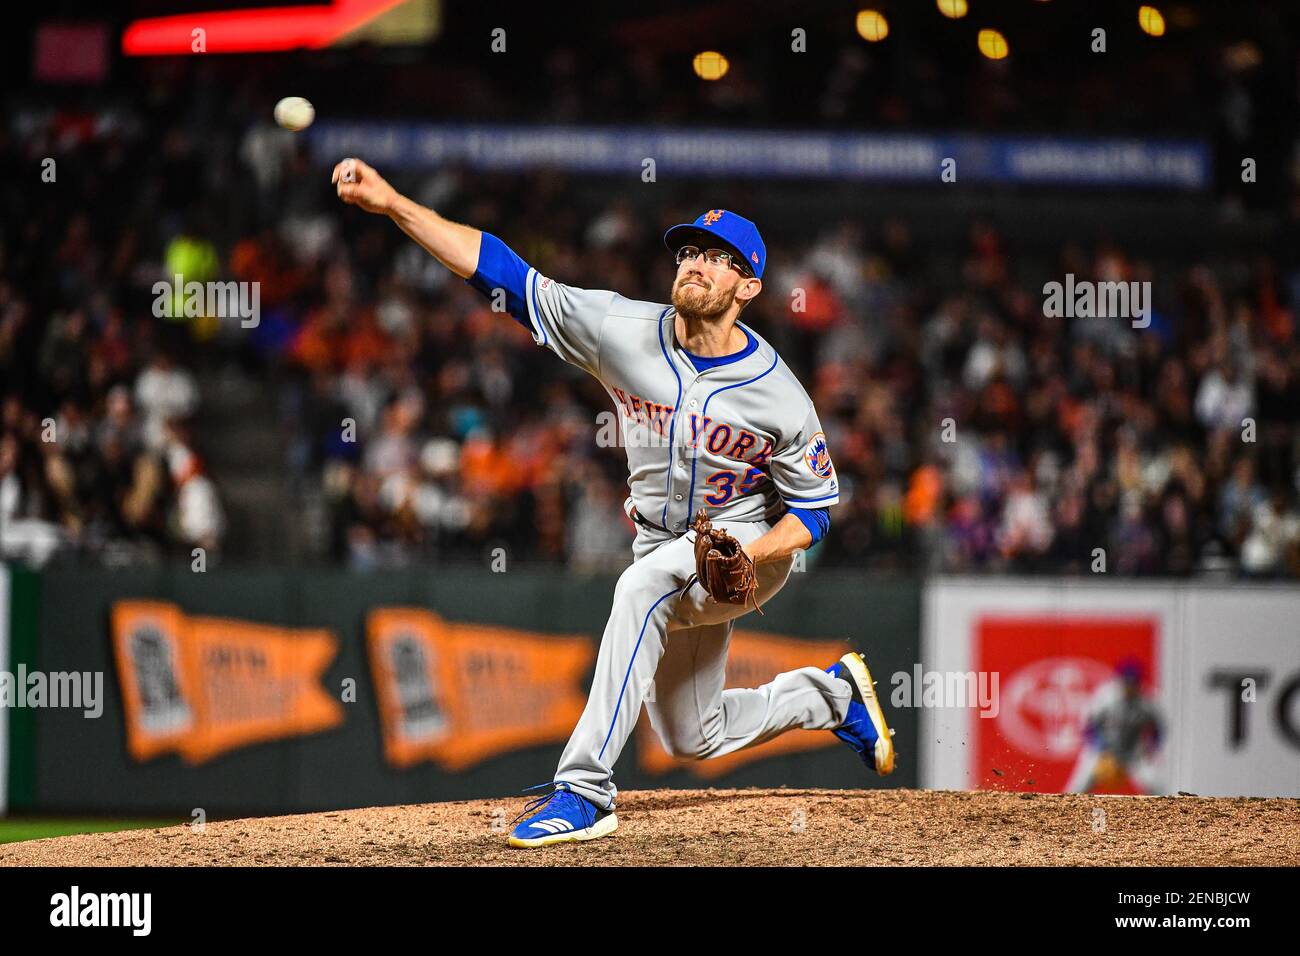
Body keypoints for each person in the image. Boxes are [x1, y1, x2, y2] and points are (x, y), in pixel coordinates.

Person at [331, 158, 896, 848]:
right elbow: (505, 274)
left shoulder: (779, 395)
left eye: (718, 259)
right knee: (693, 733)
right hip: (660, 539)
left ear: (747, 286)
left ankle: (585, 790)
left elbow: (812, 513)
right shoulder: (619, 327)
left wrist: (754, 553)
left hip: (745, 543)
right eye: (689, 251)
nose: (696, 264)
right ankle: (831, 695)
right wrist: (393, 204)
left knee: (641, 589)